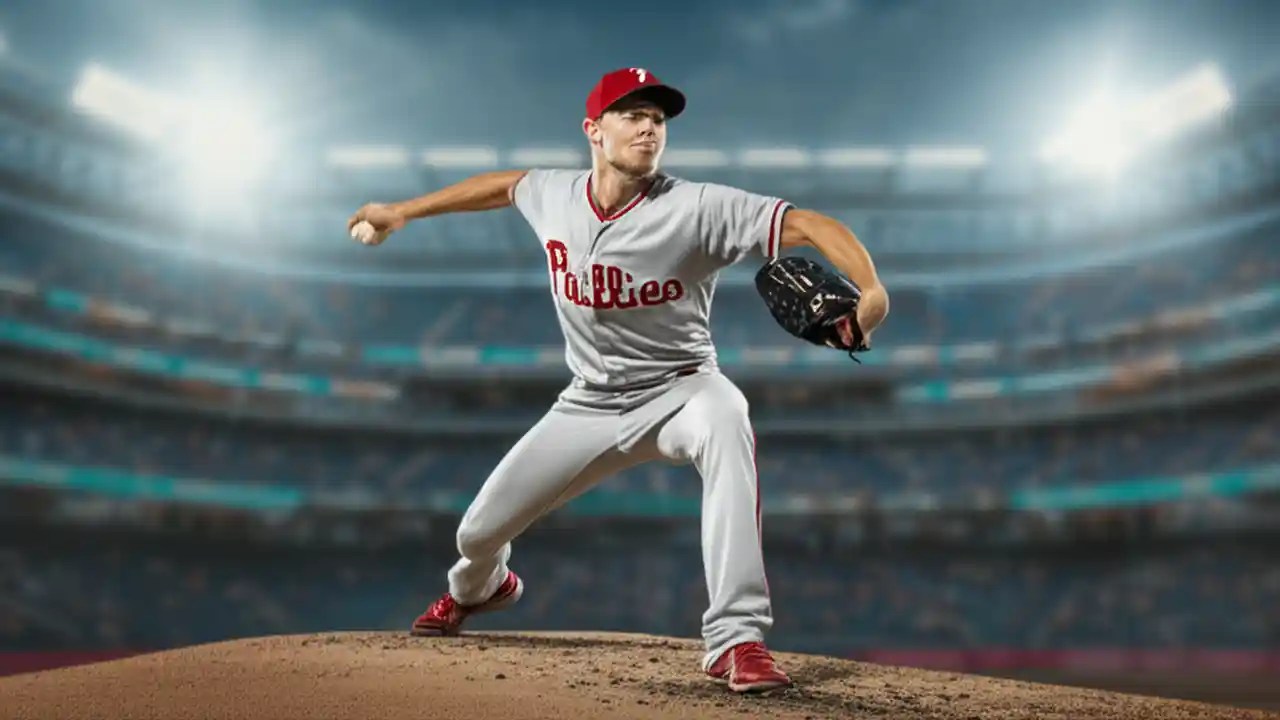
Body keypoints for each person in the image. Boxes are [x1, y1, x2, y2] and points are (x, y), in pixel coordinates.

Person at [347, 67, 888, 693]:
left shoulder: (698, 207)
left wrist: (871, 287)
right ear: (594, 131)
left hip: (681, 389)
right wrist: (402, 212)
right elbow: (502, 187)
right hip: (587, 404)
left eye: (657, 118)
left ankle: (736, 638)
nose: (648, 127)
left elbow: (810, 224)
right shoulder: (552, 193)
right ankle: (481, 588)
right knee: (476, 534)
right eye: (632, 114)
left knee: (728, 416)